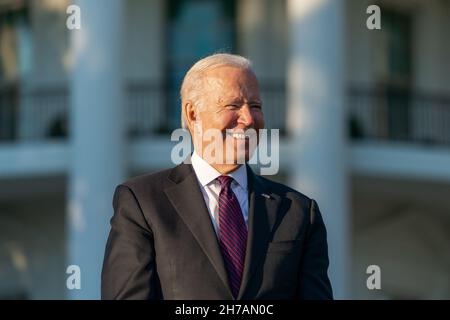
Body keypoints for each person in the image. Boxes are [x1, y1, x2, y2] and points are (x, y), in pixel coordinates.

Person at [101, 53, 333, 300]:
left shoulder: (298, 212)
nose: (249, 119)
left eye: (255, 106)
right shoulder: (142, 203)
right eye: (233, 105)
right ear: (192, 114)